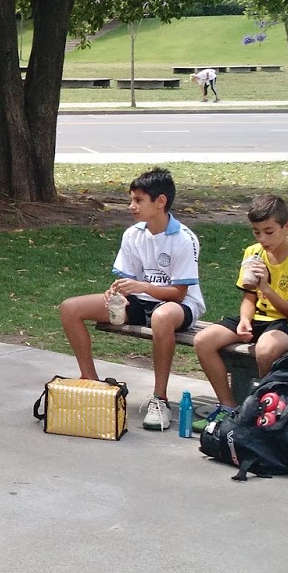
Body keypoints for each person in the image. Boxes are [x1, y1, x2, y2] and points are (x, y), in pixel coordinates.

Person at [57, 168, 205, 431]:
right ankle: (91, 381)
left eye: (138, 200)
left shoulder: (184, 238)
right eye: (131, 199)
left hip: (178, 307)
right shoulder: (132, 234)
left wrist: (142, 286)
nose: (131, 206)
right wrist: (117, 293)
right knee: (70, 308)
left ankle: (159, 399)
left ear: (160, 202)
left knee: (161, 317)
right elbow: (128, 280)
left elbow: (179, 293)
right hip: (139, 302)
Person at [192, 194, 288, 407]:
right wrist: (245, 320)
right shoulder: (253, 253)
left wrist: (266, 288)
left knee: (265, 349)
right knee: (203, 340)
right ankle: (229, 407)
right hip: (262, 318)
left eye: (269, 232)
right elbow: (249, 297)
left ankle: (264, 408)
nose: (262, 239)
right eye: (256, 232)